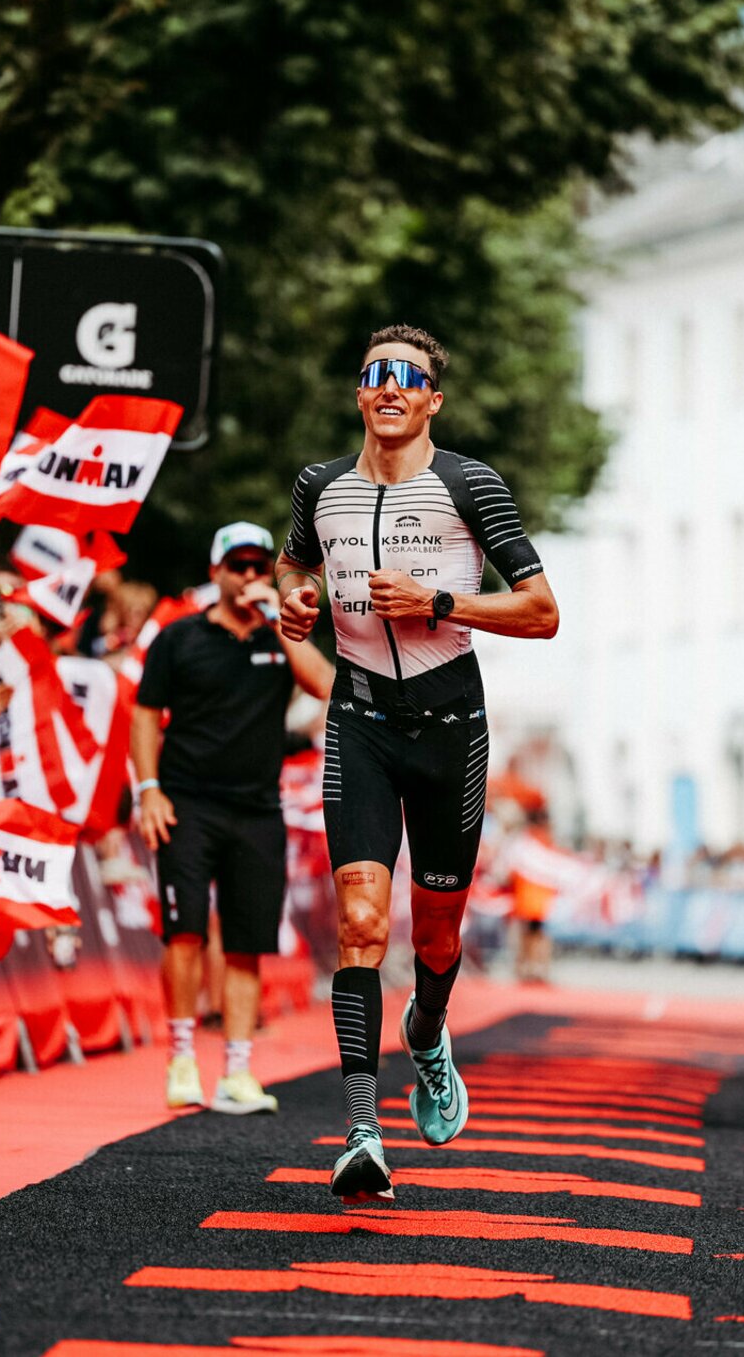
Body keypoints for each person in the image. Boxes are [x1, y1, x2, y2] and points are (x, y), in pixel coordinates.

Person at [277, 324, 560, 1201]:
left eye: (408, 376)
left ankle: (429, 1029)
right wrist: (296, 603)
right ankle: (362, 1131)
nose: (390, 387)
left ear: (433, 398)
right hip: (358, 723)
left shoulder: (470, 484)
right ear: (360, 394)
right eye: (376, 375)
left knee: (436, 934)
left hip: (450, 730)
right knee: (361, 923)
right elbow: (294, 571)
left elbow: (543, 611)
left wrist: (440, 601)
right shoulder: (319, 486)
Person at [133, 522, 334, 1114]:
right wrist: (149, 790)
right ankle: (181, 1058)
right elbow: (145, 715)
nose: (247, 575)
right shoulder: (179, 638)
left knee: (247, 941)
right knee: (186, 931)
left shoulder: (279, 635)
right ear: (215, 571)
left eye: (256, 566)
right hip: (186, 803)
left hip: (257, 809)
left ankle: (238, 1071)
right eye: (237, 565)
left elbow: (325, 684)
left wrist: (278, 618)